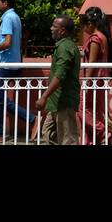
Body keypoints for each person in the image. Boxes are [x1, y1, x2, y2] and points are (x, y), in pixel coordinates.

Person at [0, 0, 36, 142]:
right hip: (15, 62)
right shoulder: (16, 17)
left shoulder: (7, 18)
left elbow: (7, 42)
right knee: (1, 99)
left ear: (5, 3)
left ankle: (30, 120)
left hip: (6, 64)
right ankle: (0, 133)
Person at [35, 14, 80, 145]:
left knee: (67, 139)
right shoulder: (62, 46)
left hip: (64, 101)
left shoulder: (65, 48)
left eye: (54, 26)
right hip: (56, 102)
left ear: (62, 31)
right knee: (48, 134)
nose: (51, 28)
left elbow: (60, 75)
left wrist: (44, 97)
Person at [78, 7, 112, 144]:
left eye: (84, 25)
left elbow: (91, 63)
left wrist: (85, 82)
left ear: (90, 24)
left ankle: (103, 132)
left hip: (93, 80)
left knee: (82, 109)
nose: (83, 29)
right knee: (94, 111)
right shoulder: (103, 36)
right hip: (100, 80)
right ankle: (91, 140)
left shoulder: (95, 39)